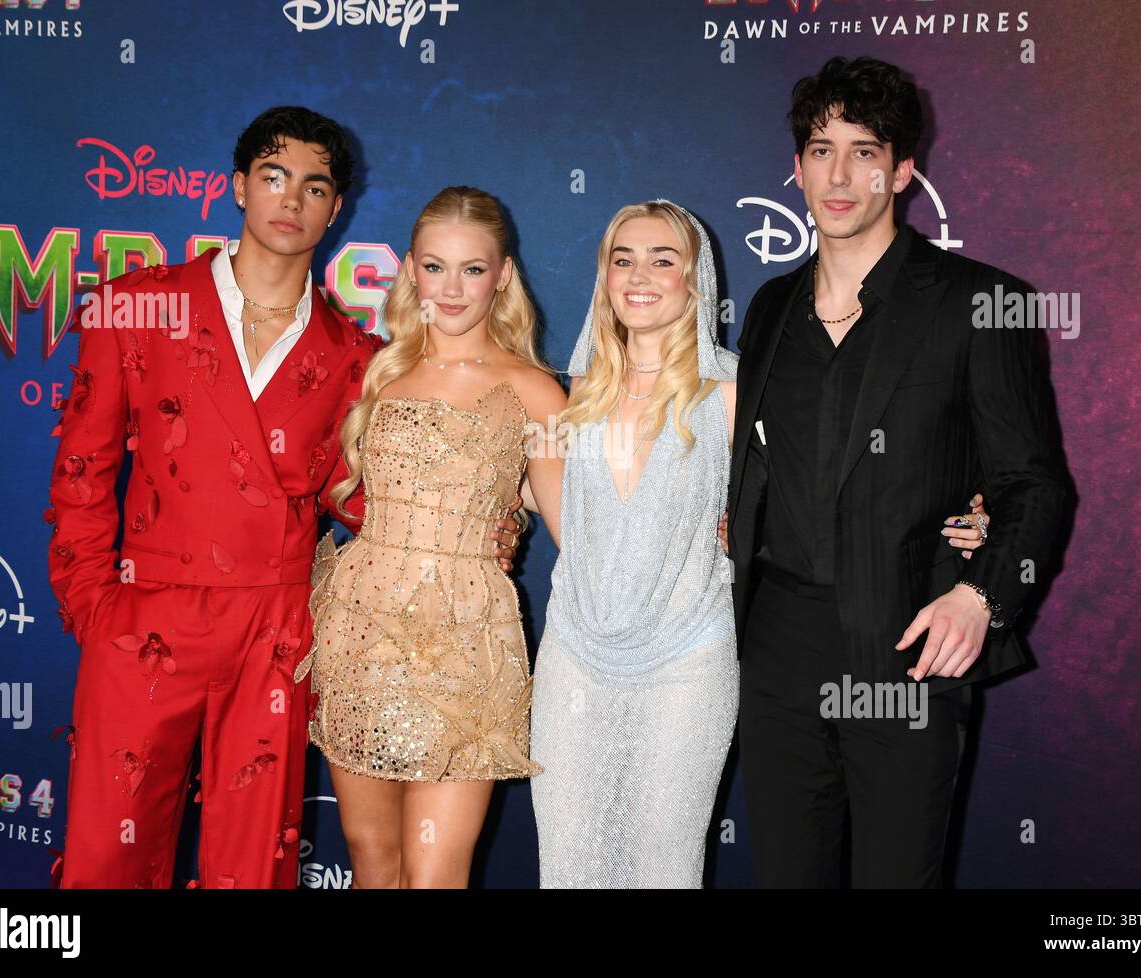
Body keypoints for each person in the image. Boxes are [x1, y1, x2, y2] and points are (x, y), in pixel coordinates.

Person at [45, 108, 522, 889]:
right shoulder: (138, 305)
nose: (290, 200)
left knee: (252, 868)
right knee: (107, 857)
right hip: (143, 618)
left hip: (276, 630)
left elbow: (364, 498)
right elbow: (81, 474)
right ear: (237, 187)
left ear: (337, 210)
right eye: (273, 177)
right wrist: (96, 611)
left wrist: (472, 530)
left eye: (314, 185)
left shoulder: (356, 357)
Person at [528, 199, 992, 887]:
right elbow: (571, 533)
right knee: (567, 861)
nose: (640, 275)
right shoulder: (564, 399)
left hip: (689, 657)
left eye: (664, 259)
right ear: (603, 276)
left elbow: (836, 479)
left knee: (665, 864)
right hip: (576, 651)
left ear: (697, 279)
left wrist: (965, 512)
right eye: (622, 259)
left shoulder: (739, 390)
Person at [727, 56, 1069, 887]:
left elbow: (1036, 484)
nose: (839, 175)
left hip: (908, 645)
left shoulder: (981, 301)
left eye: (865, 151)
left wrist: (980, 595)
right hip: (776, 649)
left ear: (903, 169)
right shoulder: (771, 307)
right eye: (820, 149)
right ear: (797, 166)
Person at [302, 186, 566, 889]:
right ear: (410, 270)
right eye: (435, 266)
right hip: (361, 632)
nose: (452, 289)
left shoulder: (536, 390)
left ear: (503, 275)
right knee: (374, 864)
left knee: (435, 873)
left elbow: (580, 531)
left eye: (472, 270)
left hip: (465, 643)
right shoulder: (378, 373)